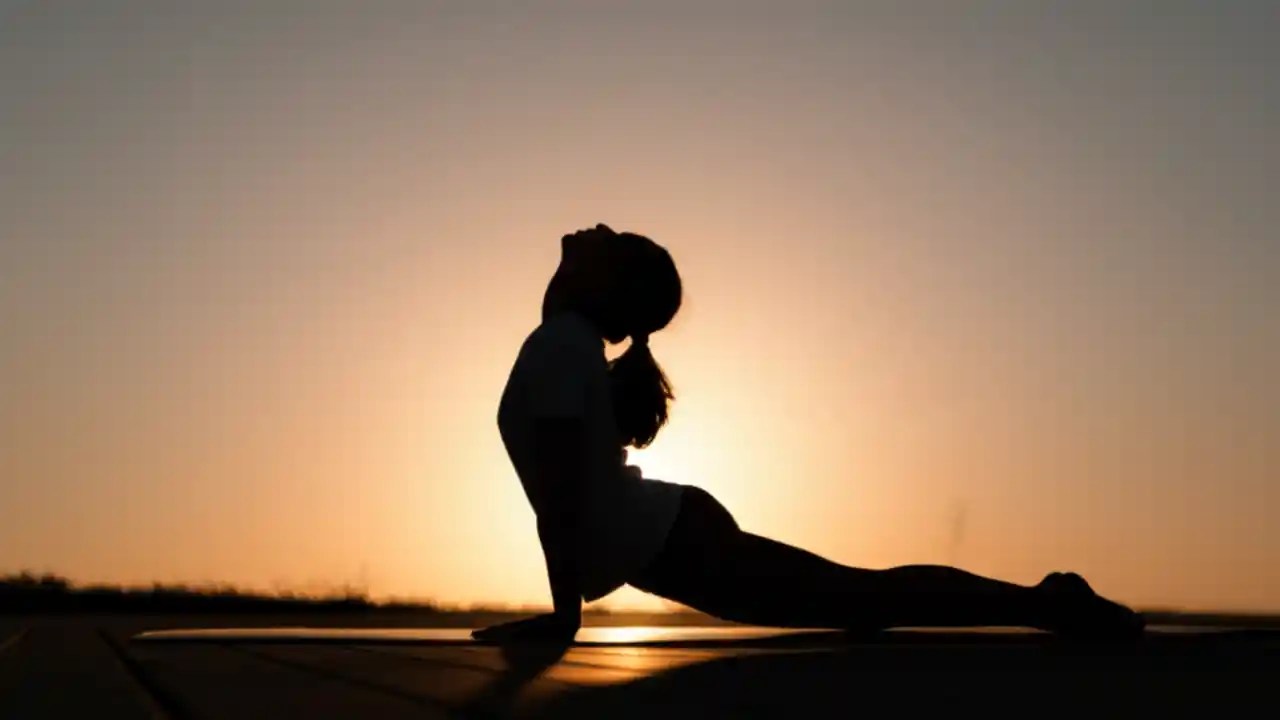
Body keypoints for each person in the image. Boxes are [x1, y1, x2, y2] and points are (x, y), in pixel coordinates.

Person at [474, 223, 1144, 643]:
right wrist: (565, 613)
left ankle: (1049, 603)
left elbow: (560, 496)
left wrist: (564, 620)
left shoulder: (562, 344)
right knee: (861, 598)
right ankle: (1046, 601)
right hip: (670, 536)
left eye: (611, 238)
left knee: (864, 600)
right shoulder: (564, 342)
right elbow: (563, 493)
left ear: (602, 287)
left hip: (676, 541)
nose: (596, 227)